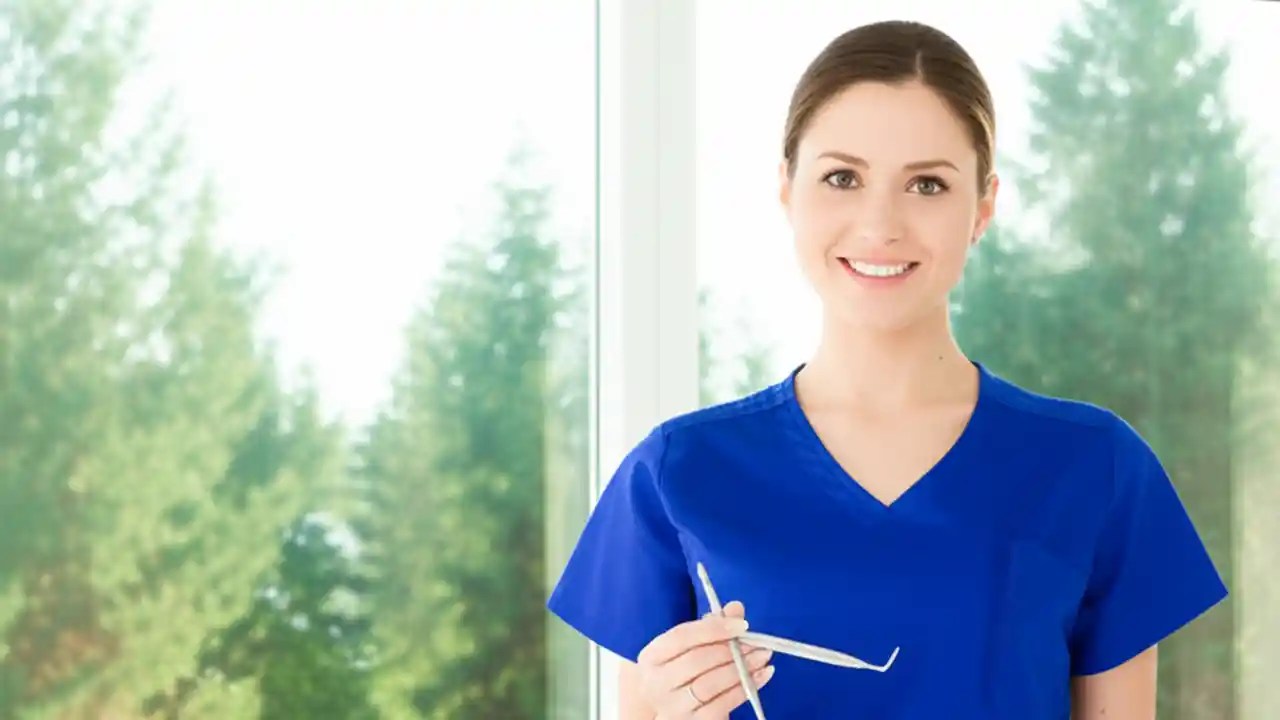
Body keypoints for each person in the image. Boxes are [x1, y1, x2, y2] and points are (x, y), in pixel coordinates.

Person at [546, 18, 1227, 720]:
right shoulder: (676, 472)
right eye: (842, 177)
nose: (881, 224)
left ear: (983, 205)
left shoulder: (1095, 468)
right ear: (786, 189)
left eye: (927, 185)